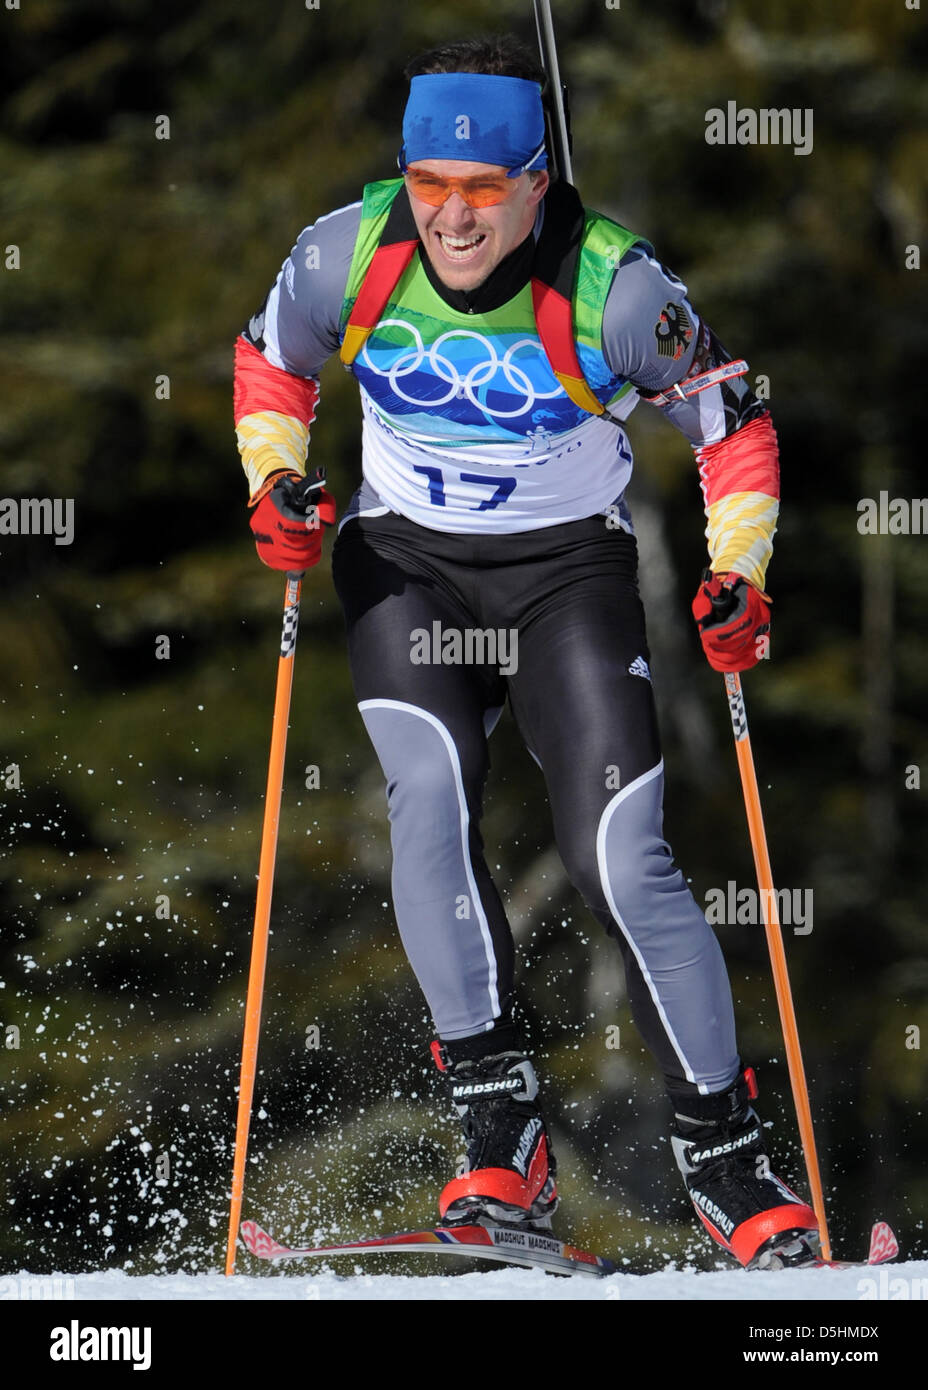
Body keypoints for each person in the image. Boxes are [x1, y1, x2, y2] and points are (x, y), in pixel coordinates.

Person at [233, 34, 819, 1270]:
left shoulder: (613, 288)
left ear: (536, 182)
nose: (451, 216)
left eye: (483, 190)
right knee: (430, 802)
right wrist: (274, 485)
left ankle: (729, 1165)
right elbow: (270, 364)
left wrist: (739, 579)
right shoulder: (349, 250)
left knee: (619, 851)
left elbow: (731, 422)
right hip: (407, 561)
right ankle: (503, 1141)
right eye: (430, 184)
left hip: (563, 578)